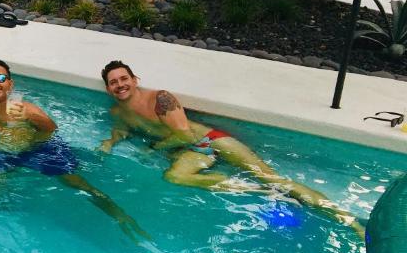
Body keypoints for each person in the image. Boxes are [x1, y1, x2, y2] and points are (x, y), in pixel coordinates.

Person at [99, 60, 365, 238]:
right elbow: (123, 128)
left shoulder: (160, 98)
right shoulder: (118, 110)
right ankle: (255, 190)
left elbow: (183, 133)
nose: (120, 84)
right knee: (173, 176)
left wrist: (153, 148)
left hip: (211, 141)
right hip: (190, 153)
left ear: (135, 79)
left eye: (124, 78)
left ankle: (349, 220)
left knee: (273, 177)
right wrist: (111, 142)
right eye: (114, 82)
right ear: (109, 88)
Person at [0, 59, 149, 244]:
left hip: (40, 149)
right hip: (5, 152)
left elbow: (51, 127)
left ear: (10, 84)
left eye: (1, 78)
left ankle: (119, 216)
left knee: (80, 185)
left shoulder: (24, 109)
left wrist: (30, 117)